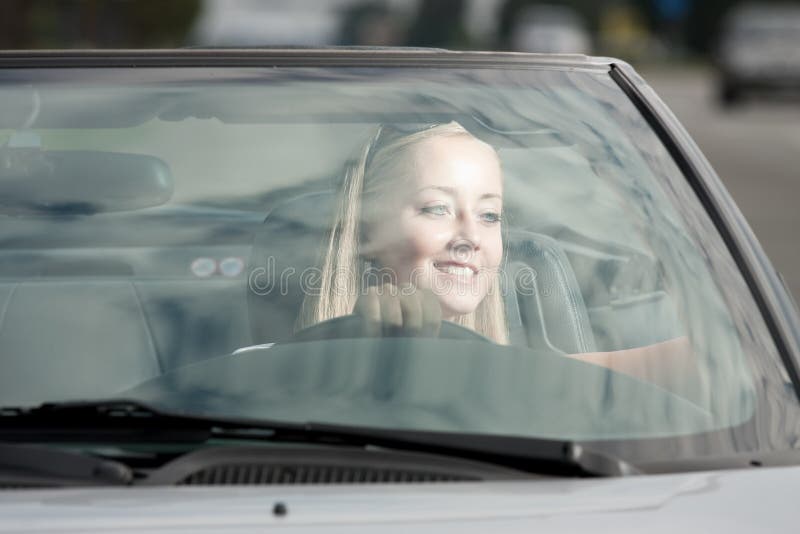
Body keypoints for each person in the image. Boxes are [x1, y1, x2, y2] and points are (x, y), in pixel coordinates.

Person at [297, 121, 509, 344]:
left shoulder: (522, 375)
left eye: (489, 215)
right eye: (437, 209)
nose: (472, 237)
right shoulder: (291, 374)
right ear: (369, 229)